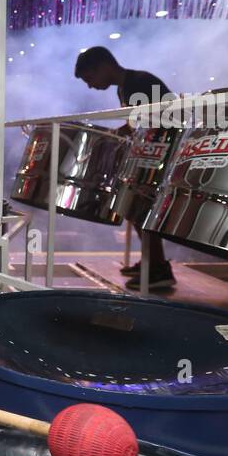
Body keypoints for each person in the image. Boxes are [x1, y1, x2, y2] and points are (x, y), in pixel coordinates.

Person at [74, 46, 175, 290]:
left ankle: (159, 269)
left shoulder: (139, 82)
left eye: (90, 78)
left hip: (160, 153)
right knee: (135, 209)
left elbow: (155, 120)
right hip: (150, 151)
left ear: (104, 66)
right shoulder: (126, 86)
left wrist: (113, 134)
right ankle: (153, 261)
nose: (90, 86)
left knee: (140, 208)